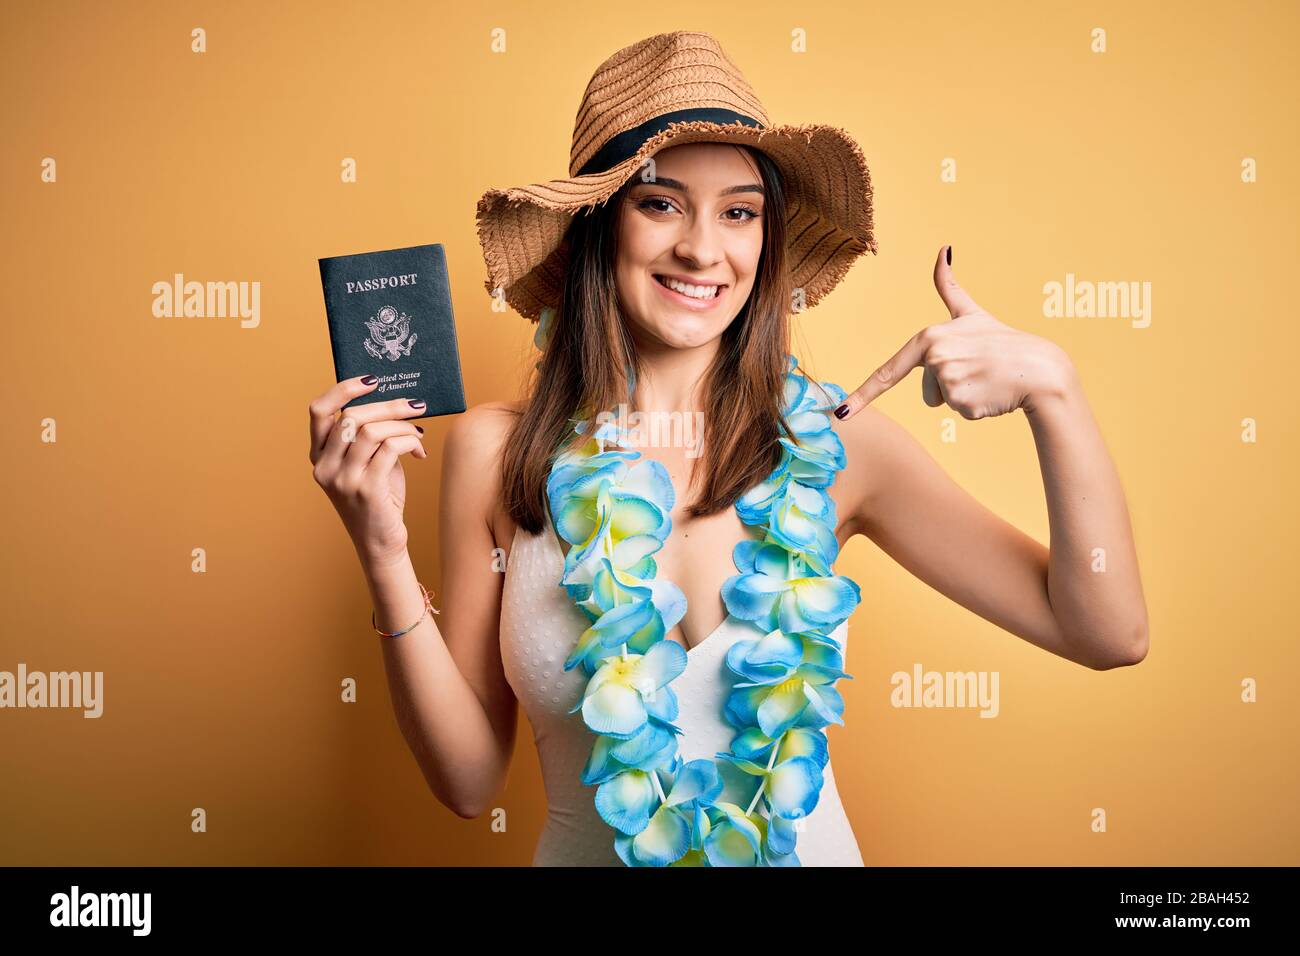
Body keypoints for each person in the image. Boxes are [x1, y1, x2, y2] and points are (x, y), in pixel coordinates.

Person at [307, 32, 1148, 867]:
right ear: (598, 230)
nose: (703, 249)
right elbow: (466, 783)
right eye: (661, 202)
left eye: (739, 212)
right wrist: (382, 553)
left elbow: (1107, 635)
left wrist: (1056, 395)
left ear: (765, 244)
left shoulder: (837, 442)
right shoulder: (498, 453)